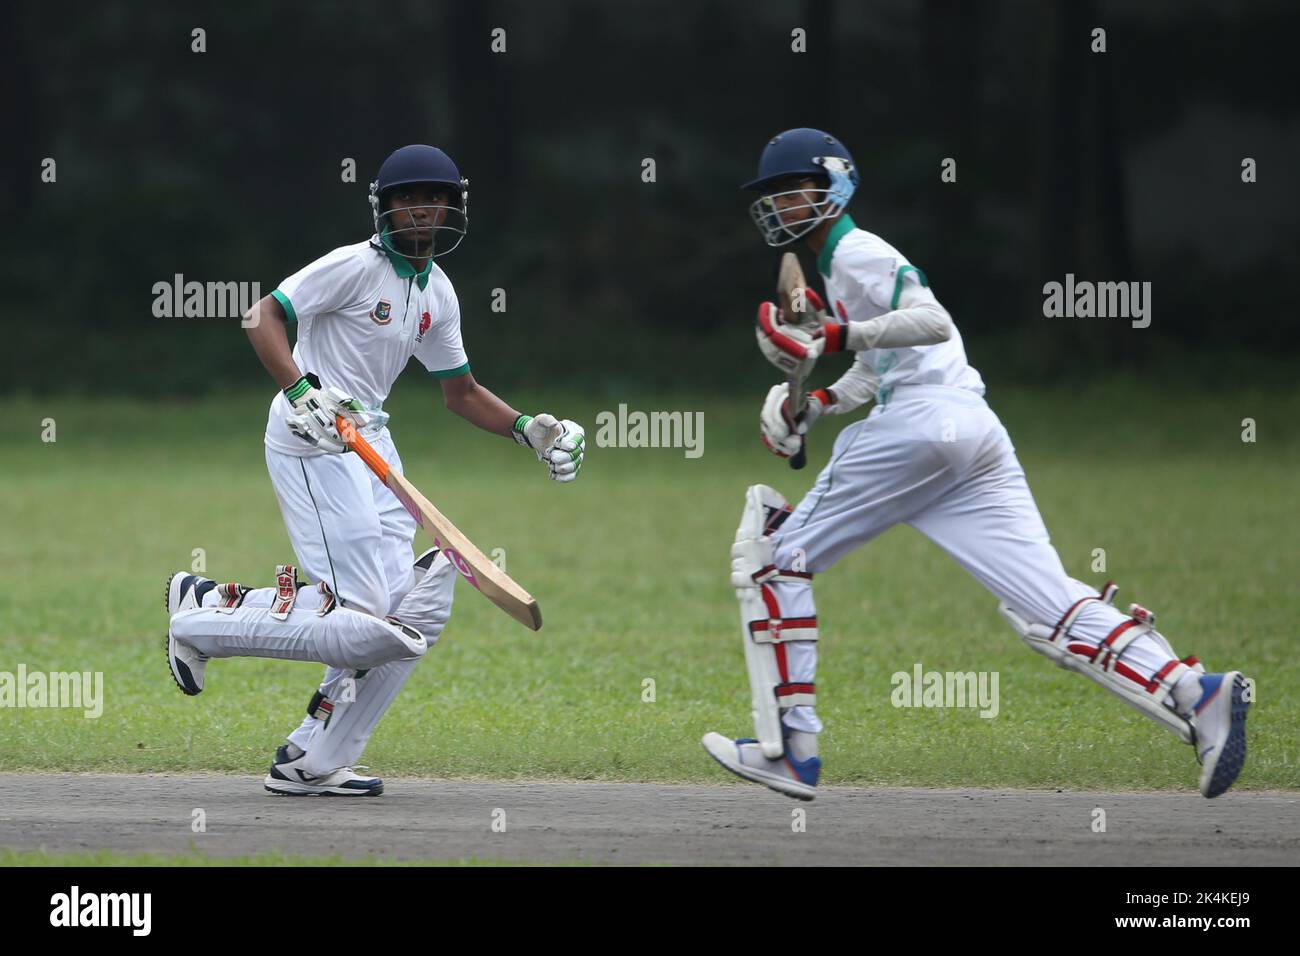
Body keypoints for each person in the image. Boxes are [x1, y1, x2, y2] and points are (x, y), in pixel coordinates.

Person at [702, 127, 1248, 800]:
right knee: (1046, 605)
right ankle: (1199, 693)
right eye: (774, 196)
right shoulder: (840, 266)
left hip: (922, 428)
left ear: (832, 187)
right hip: (970, 434)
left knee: (773, 556)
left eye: (793, 191)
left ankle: (792, 751)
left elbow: (930, 322)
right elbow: (878, 368)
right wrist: (814, 404)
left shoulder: (858, 251)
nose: (781, 206)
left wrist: (837, 334)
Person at [163, 144, 585, 795]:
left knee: (410, 610)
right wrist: (301, 390)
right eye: (408, 198)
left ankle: (314, 757)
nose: (422, 209)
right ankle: (198, 618)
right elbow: (261, 316)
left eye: (434, 198)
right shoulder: (353, 268)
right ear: (385, 208)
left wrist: (528, 428)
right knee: (361, 618)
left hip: (373, 444)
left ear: (453, 208)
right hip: (313, 434)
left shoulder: (436, 292)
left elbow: (461, 392)